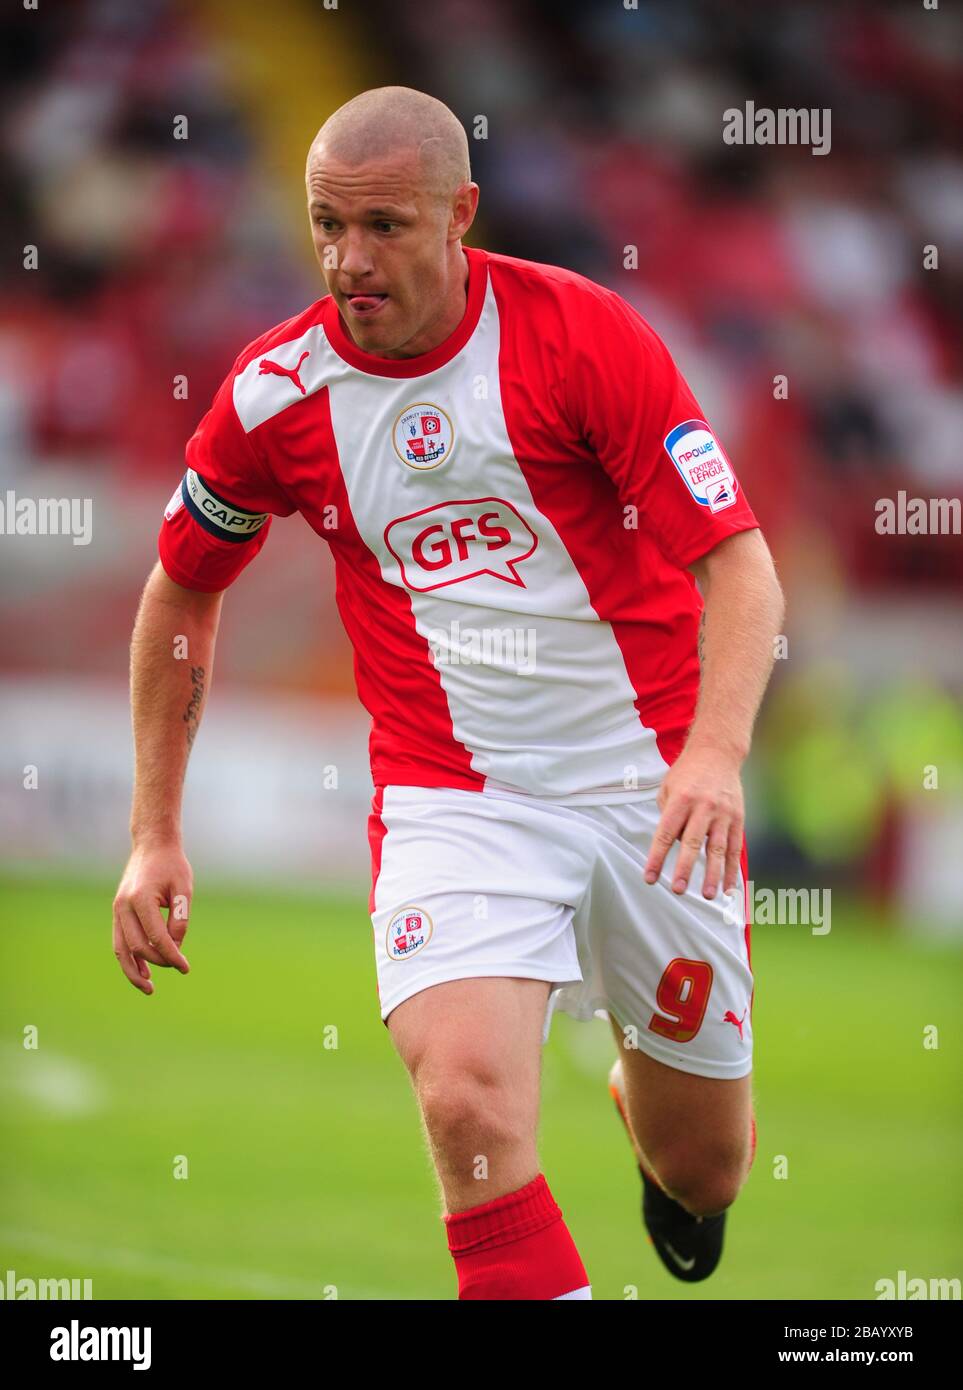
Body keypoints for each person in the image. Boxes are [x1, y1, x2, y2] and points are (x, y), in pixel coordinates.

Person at [112, 86, 786, 1301]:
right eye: (327, 225)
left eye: (384, 227)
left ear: (460, 215)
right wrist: (154, 828)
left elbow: (739, 564)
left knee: (709, 1170)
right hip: (455, 796)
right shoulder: (274, 396)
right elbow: (179, 595)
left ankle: (646, 1103)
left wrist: (714, 754)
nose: (347, 261)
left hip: (654, 783)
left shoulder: (584, 336)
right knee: (466, 1098)